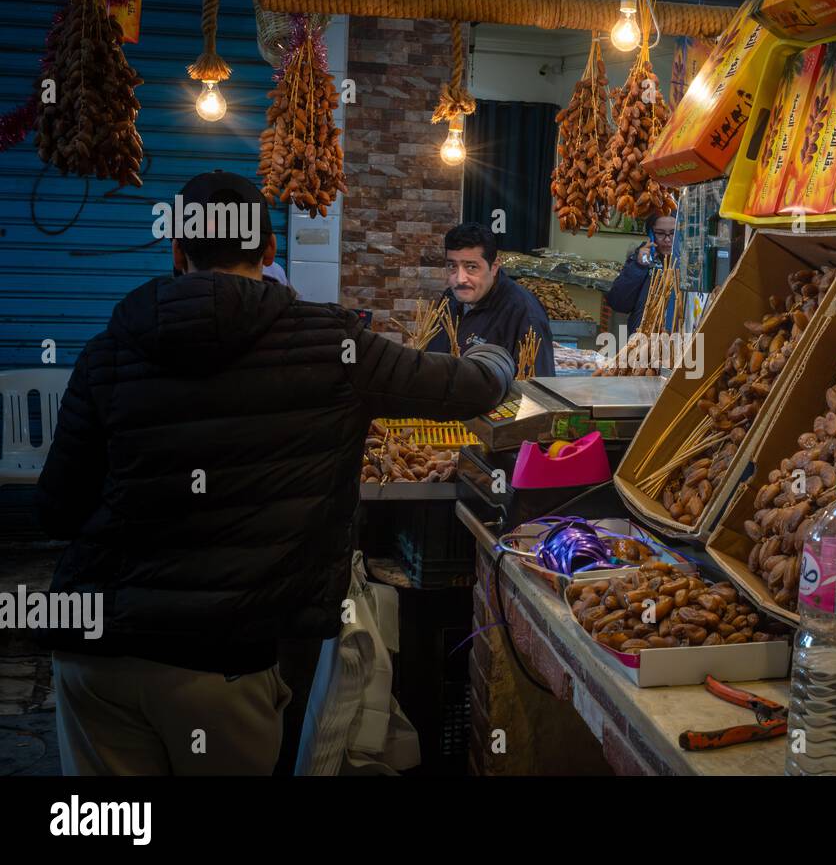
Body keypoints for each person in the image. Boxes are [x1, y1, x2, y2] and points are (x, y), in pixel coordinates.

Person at [34, 170, 514, 776]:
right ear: (267, 250)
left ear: (177, 250)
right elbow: (465, 389)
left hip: (95, 653)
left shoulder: (107, 351)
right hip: (223, 661)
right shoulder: (334, 345)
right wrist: (494, 355)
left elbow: (56, 511)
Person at [426, 221, 556, 377]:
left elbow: (537, 387)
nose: (460, 279)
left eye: (471, 267)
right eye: (452, 266)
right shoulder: (450, 299)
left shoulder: (524, 314)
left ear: (494, 267)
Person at [605, 212, 677, 333]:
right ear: (651, 234)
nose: (667, 240)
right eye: (660, 233)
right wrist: (639, 267)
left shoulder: (691, 264)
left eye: (673, 233)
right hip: (642, 340)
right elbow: (618, 303)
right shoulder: (640, 260)